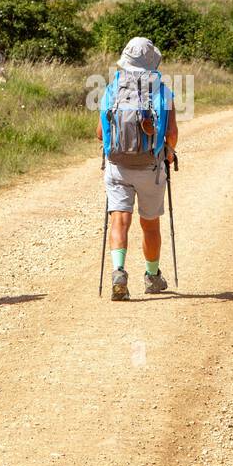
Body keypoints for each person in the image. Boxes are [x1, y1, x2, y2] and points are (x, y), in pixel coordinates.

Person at [96, 36, 178, 301]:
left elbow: (100, 133)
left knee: (120, 220)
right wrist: (168, 149)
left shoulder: (111, 89)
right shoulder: (163, 92)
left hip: (117, 167)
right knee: (150, 225)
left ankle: (118, 272)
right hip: (150, 168)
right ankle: (152, 277)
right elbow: (173, 134)